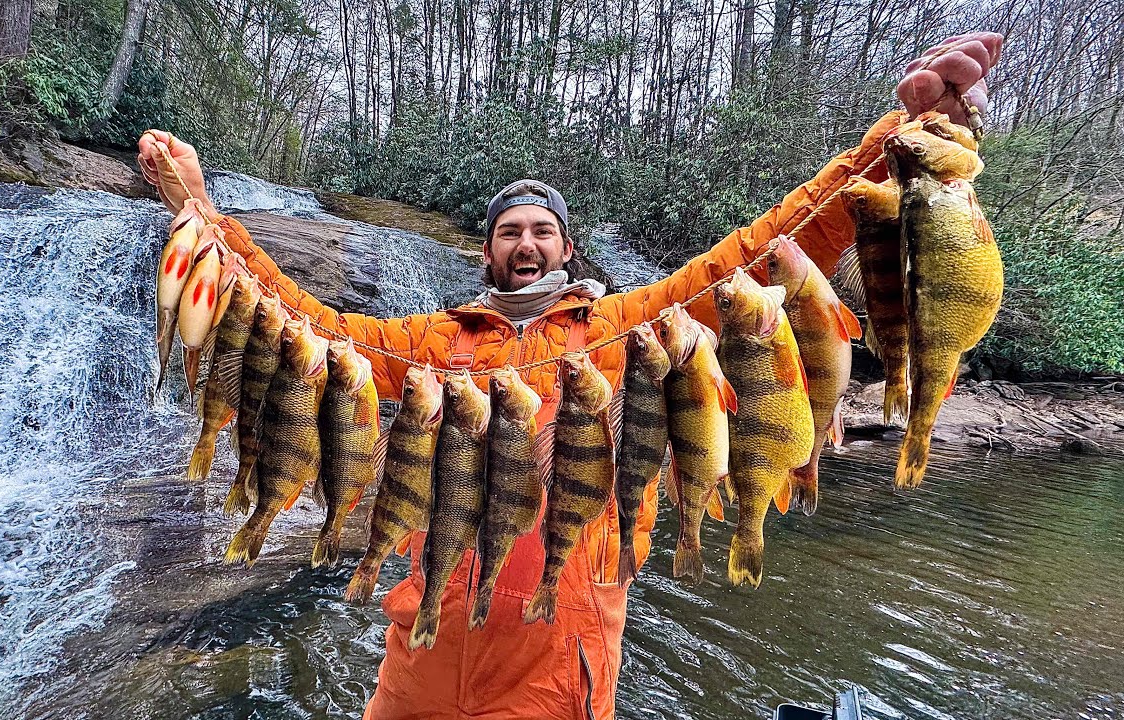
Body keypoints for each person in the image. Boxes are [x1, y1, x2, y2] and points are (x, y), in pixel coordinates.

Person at [138, 33, 1002, 719]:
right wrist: (201, 213)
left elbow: (765, 253)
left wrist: (891, 149)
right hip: (422, 655)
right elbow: (302, 328)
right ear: (487, 251)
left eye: (541, 231)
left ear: (567, 248)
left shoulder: (632, 329)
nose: (525, 243)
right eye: (510, 230)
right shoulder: (430, 344)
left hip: (557, 660)